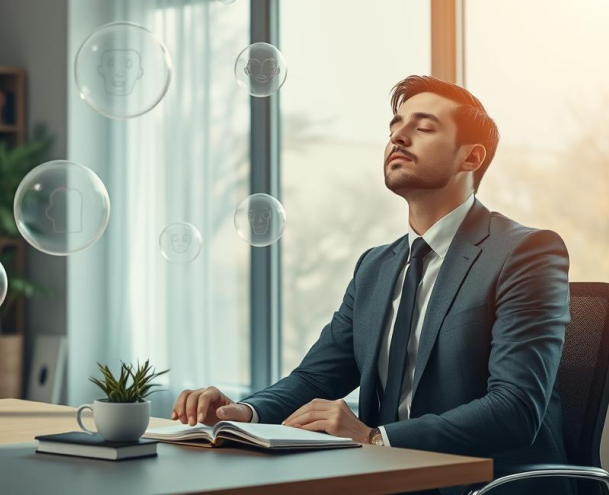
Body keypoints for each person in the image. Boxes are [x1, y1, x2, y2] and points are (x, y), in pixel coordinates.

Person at [173, 75, 573, 495]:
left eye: (423, 127)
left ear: (470, 158)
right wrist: (244, 412)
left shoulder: (525, 252)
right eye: (394, 126)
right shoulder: (375, 267)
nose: (398, 136)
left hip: (482, 486)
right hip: (380, 482)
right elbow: (315, 379)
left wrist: (375, 439)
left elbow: (515, 409)